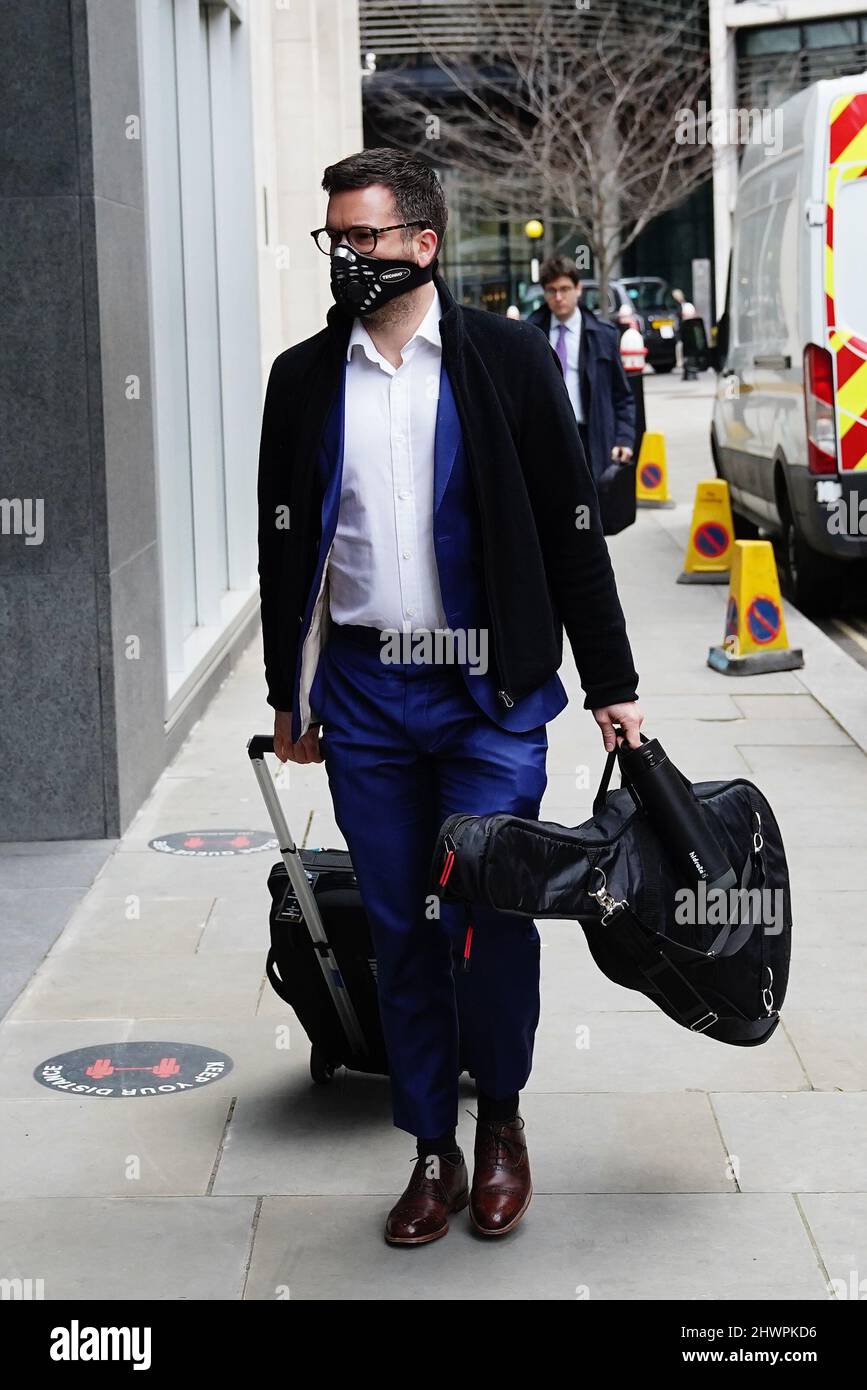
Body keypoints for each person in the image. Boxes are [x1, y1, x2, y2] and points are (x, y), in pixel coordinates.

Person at [256, 148, 644, 1248]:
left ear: (424, 243)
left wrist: (612, 685)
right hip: (371, 695)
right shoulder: (302, 378)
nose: (347, 256)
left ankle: (504, 1122)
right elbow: (283, 547)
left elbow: (574, 536)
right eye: (335, 237)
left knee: (491, 913)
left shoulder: (509, 363)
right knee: (402, 925)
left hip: (489, 692)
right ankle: (432, 1146)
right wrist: (292, 692)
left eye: (366, 237)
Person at [528, 257, 635, 485]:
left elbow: (622, 395)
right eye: (551, 290)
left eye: (565, 289)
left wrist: (624, 439)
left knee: (592, 513)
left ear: (578, 289)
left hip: (591, 438)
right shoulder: (529, 335)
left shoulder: (604, 335)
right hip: (546, 440)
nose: (558, 297)